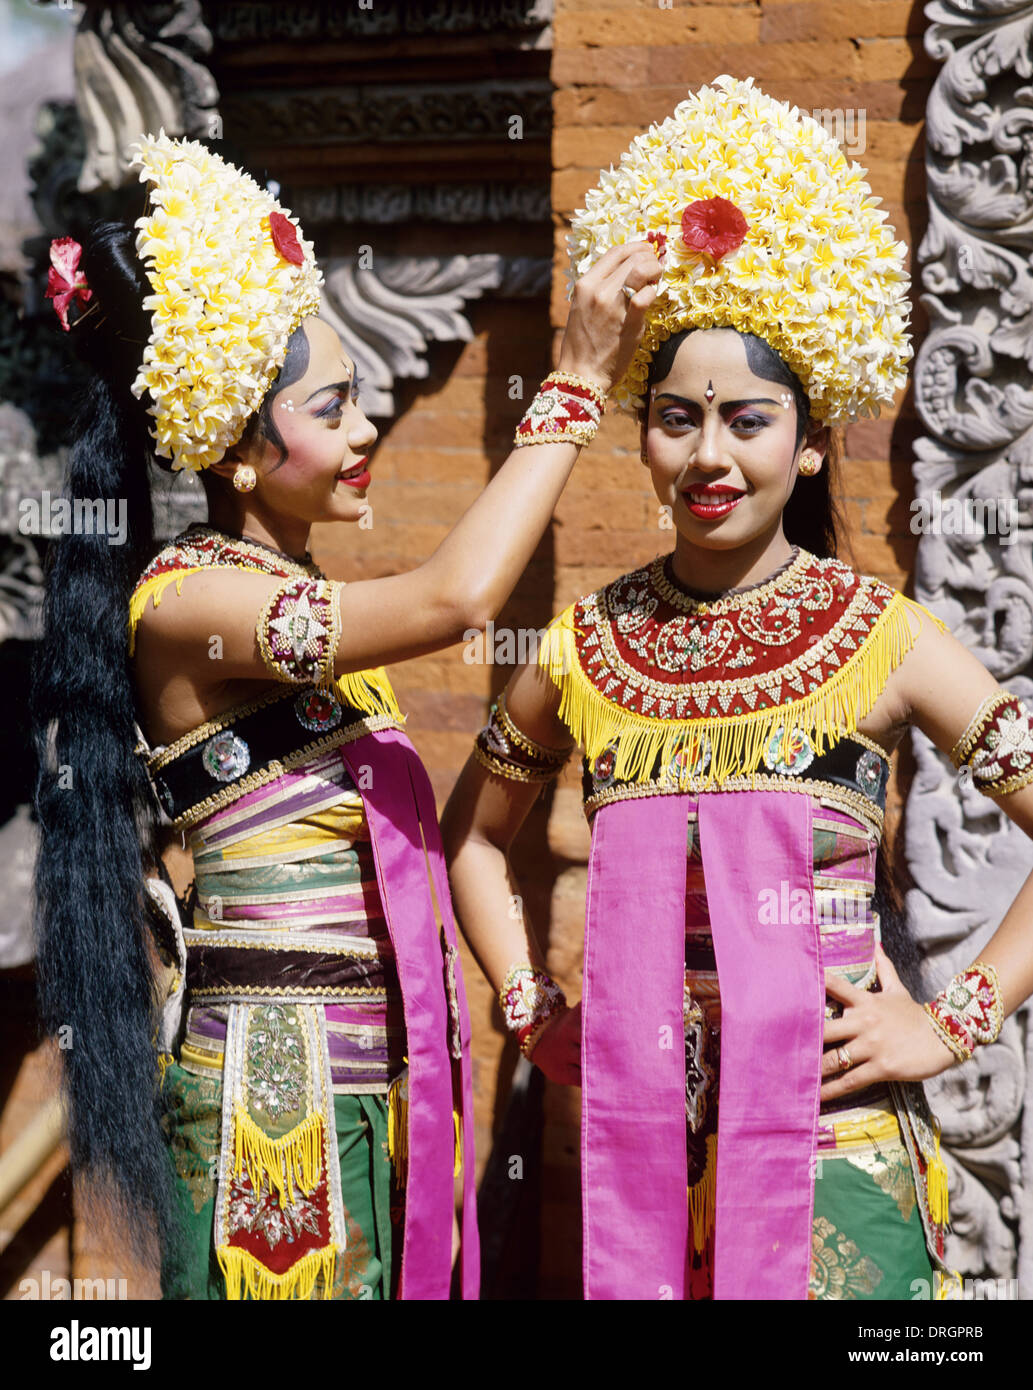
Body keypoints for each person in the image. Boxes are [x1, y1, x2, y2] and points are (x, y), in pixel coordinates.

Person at [31, 133, 661, 1299]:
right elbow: (457, 598)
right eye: (333, 407)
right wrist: (572, 376)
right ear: (236, 446)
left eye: (360, 398)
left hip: (371, 1085)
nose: (368, 431)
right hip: (277, 1099)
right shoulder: (188, 607)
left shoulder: (297, 607)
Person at [442, 75, 1033, 1300]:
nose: (709, 455)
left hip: (839, 1157)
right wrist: (529, 1001)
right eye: (674, 419)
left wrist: (949, 1018)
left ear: (809, 439)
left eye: (749, 420)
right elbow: (474, 841)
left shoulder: (885, 637)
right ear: (644, 434)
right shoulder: (584, 648)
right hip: (638, 1160)